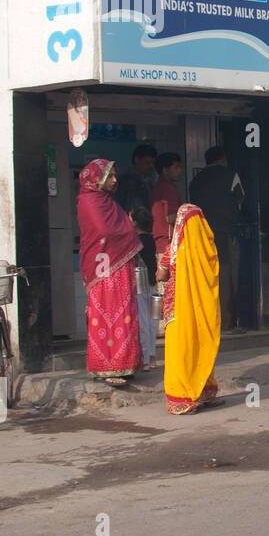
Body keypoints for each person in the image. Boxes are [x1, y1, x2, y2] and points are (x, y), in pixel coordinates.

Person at [77, 159, 144, 384]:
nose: (115, 180)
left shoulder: (107, 201)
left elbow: (120, 228)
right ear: (96, 178)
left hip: (120, 266)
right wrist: (128, 231)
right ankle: (108, 366)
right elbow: (104, 231)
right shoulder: (89, 202)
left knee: (125, 314)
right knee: (105, 315)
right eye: (109, 176)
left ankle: (126, 363)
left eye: (115, 176)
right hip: (103, 267)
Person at [156, 204, 223, 413]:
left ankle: (181, 398)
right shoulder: (208, 247)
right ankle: (204, 392)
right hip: (202, 309)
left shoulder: (173, 249)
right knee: (201, 344)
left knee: (182, 350)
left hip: (179, 308)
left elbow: (161, 275)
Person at [188, 146, 245, 332]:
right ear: (223, 160)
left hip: (201, 233)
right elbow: (240, 201)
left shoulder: (195, 180)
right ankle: (227, 321)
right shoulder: (231, 175)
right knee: (227, 276)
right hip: (225, 232)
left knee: (205, 275)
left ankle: (207, 320)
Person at [130, 205, 159, 370]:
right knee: (152, 320)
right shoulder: (151, 240)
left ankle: (146, 358)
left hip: (140, 282)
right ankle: (152, 355)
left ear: (135, 223)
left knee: (143, 320)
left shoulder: (135, 241)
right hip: (152, 282)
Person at [149, 152, 183, 255]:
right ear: (165, 170)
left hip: (160, 242)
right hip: (168, 242)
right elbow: (171, 217)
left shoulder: (158, 187)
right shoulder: (168, 188)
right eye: (176, 167)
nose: (180, 171)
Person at [112, 144, 157, 214]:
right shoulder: (125, 181)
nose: (151, 166)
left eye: (153, 163)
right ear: (137, 160)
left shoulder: (149, 182)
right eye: (147, 162)